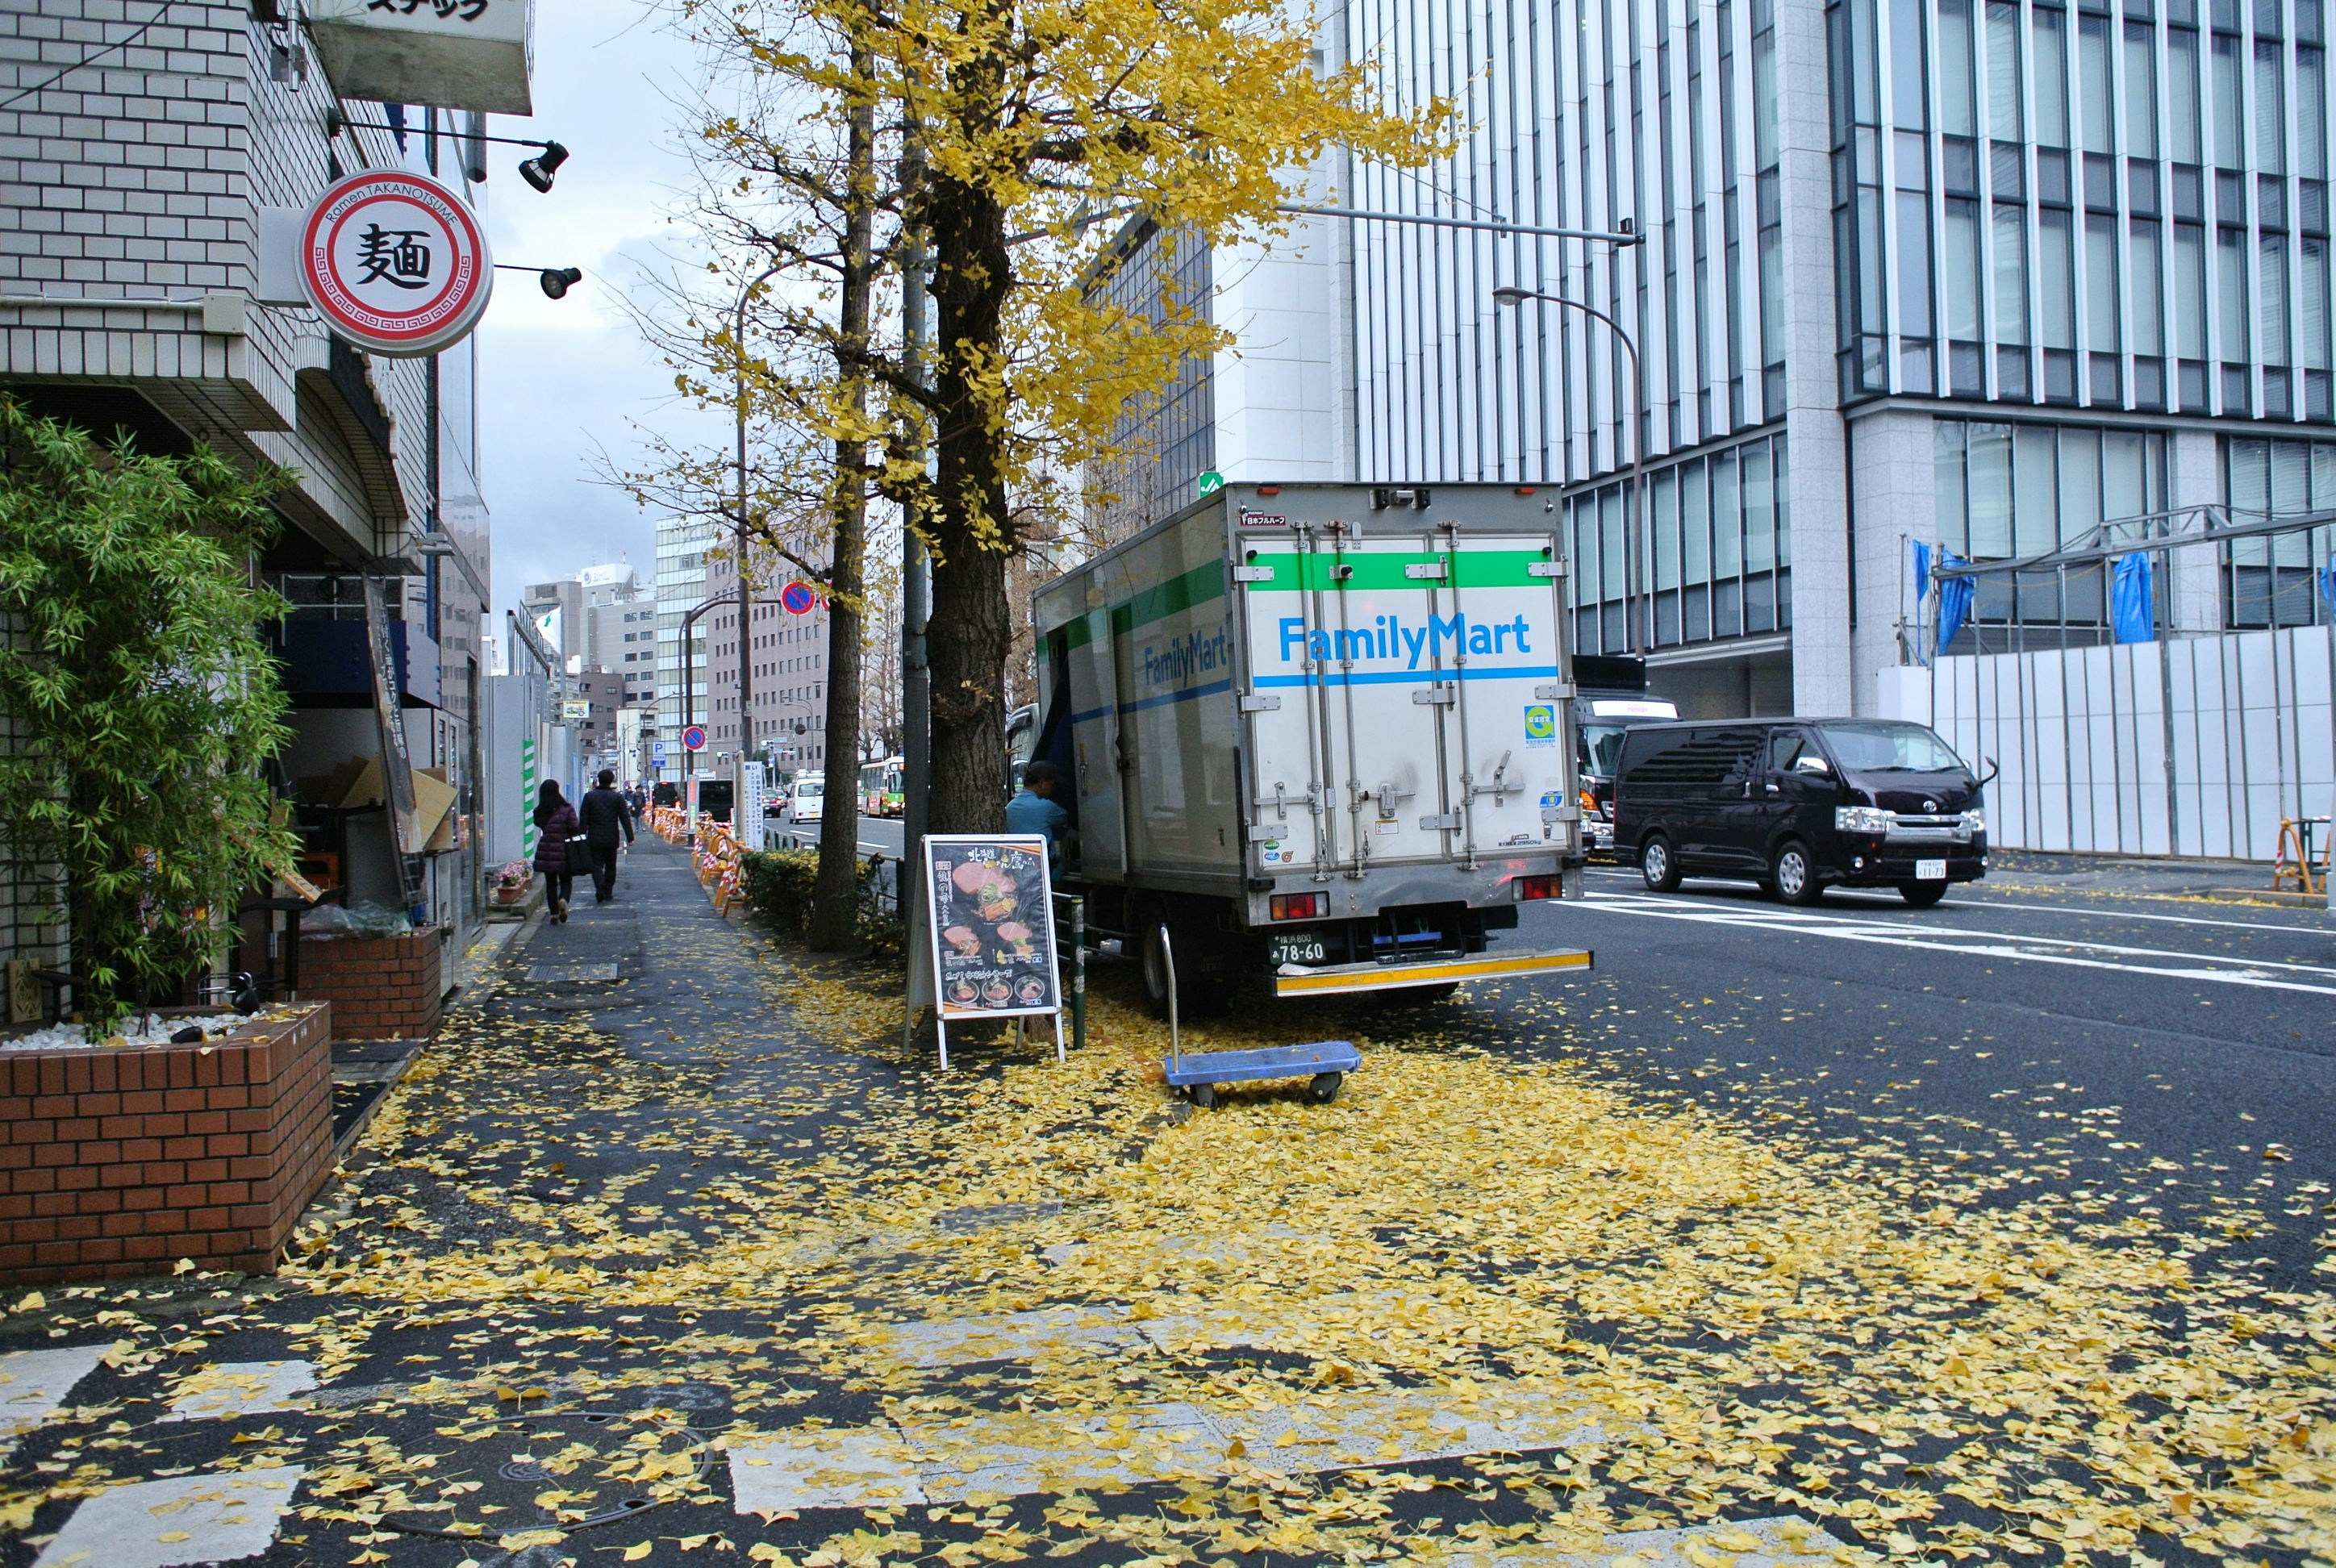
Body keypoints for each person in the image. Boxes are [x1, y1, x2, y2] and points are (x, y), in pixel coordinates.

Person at [579, 768, 636, 903]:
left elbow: (584, 818)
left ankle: (600, 887)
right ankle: (608, 892)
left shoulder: (589, 797)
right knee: (611, 865)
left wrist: (581, 835)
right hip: (612, 837)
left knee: (596, 865)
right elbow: (624, 818)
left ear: (599, 779)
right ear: (612, 781)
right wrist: (630, 837)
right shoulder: (617, 797)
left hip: (594, 837)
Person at [1006, 759, 1074, 864]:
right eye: (1052, 784)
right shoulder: (1046, 806)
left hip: (1017, 862)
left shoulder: (1010, 807)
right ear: (1041, 783)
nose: (1052, 789)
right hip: (1042, 865)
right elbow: (1064, 818)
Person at [532, 780, 580, 924]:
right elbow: (575, 828)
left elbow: (539, 823)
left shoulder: (540, 810)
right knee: (566, 880)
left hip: (547, 849)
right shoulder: (567, 808)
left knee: (551, 882)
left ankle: (553, 913)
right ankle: (563, 900)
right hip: (564, 850)